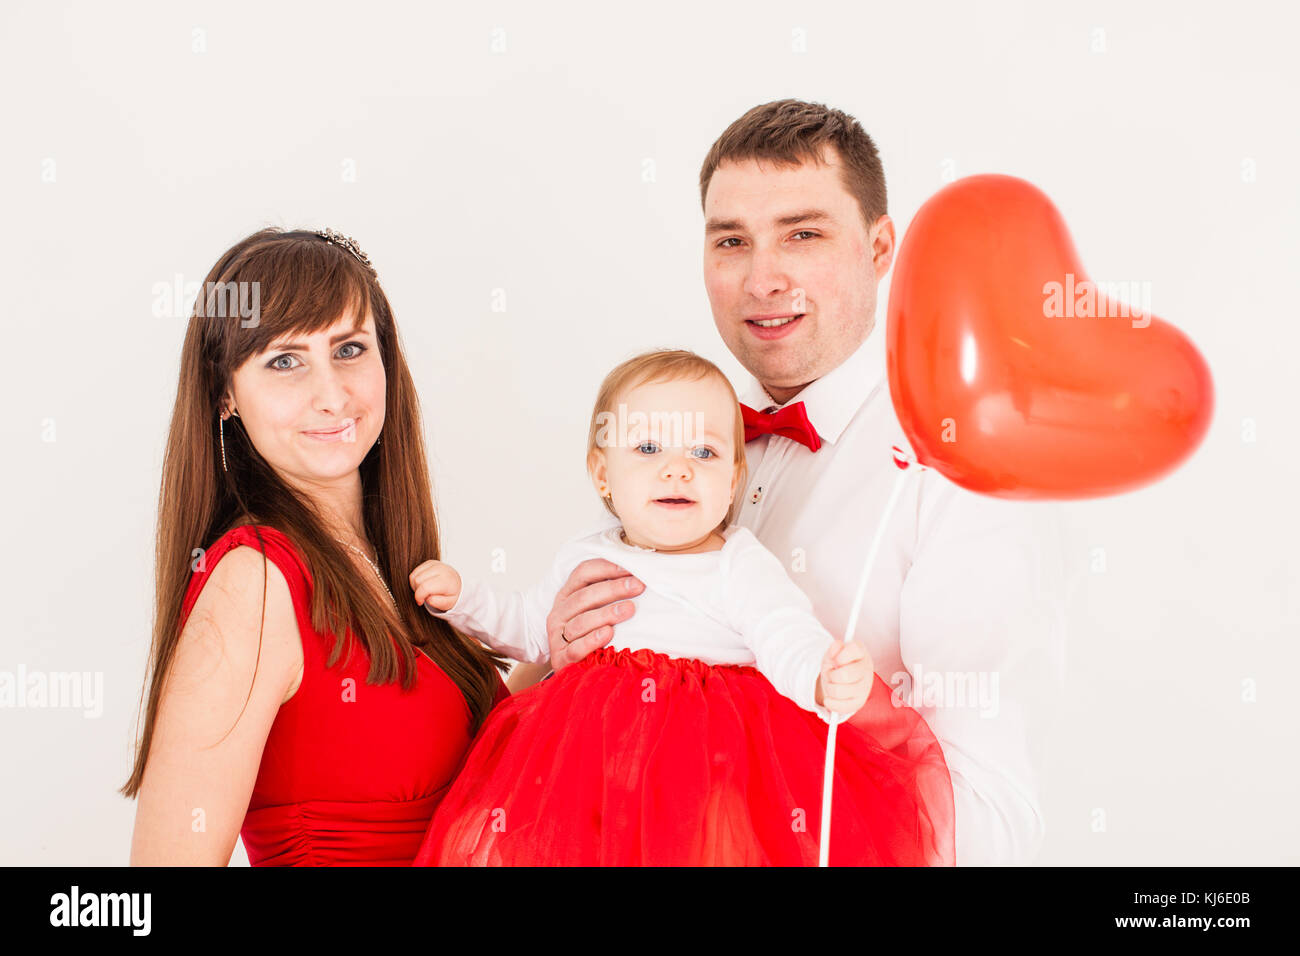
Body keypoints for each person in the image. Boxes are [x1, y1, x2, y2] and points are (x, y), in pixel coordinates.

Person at [531, 100, 1067, 866]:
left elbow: (991, 822)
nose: (762, 278)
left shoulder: (959, 472)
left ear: (881, 248)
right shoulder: (679, 437)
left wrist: (843, 708)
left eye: (803, 234)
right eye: (732, 241)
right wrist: (562, 655)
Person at [409, 349, 955, 865]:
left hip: (712, 764)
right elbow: (529, 627)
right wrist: (464, 599)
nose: (678, 469)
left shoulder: (738, 562)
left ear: (734, 478)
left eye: (704, 452)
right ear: (603, 474)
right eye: (648, 450)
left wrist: (821, 676)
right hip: (590, 760)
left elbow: (783, 632)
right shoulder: (586, 553)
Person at [122, 227, 510, 865]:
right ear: (224, 392)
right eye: (284, 361)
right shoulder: (257, 582)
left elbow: (472, 777)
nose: (332, 396)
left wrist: (558, 652)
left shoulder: (399, 566)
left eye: (350, 349)